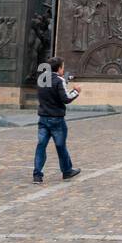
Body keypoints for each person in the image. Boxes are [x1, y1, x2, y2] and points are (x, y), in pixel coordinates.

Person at [34, 56, 82, 185]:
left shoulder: (41, 79)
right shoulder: (59, 80)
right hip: (56, 119)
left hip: (43, 118)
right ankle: (66, 171)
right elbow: (65, 98)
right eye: (63, 67)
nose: (63, 69)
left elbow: (51, 90)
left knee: (41, 146)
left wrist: (64, 81)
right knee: (61, 146)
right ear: (59, 68)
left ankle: (37, 175)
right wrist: (76, 92)